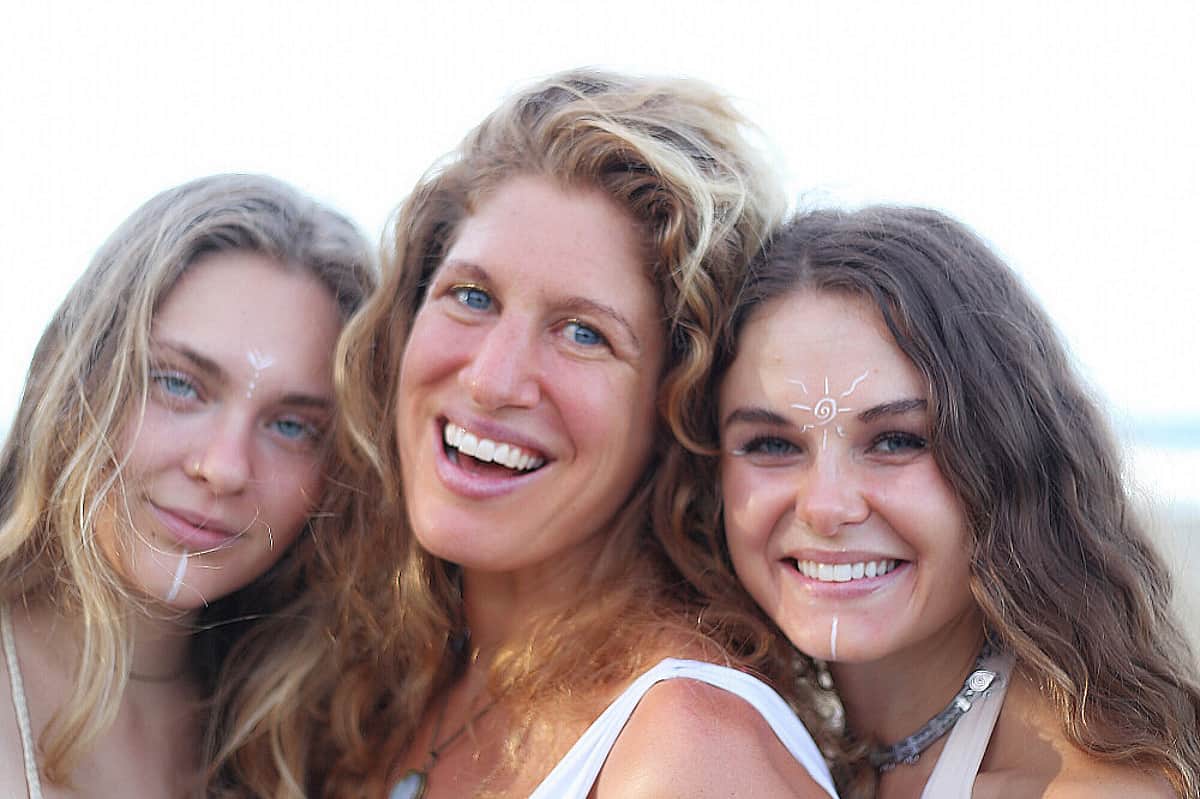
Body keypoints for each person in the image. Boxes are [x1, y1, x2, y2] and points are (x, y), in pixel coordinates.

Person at [217, 69, 840, 798]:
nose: (491, 379)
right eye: (471, 296)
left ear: (676, 409)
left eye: (583, 333)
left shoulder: (687, 750)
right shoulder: (382, 687)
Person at [674, 206, 1200, 797]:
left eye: (897, 441)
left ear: (1009, 457)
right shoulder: (756, 750)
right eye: (771, 444)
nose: (825, 508)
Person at [0, 173, 375, 797]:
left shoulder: (320, 744)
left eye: (291, 426)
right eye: (179, 384)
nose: (224, 468)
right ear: (79, 378)